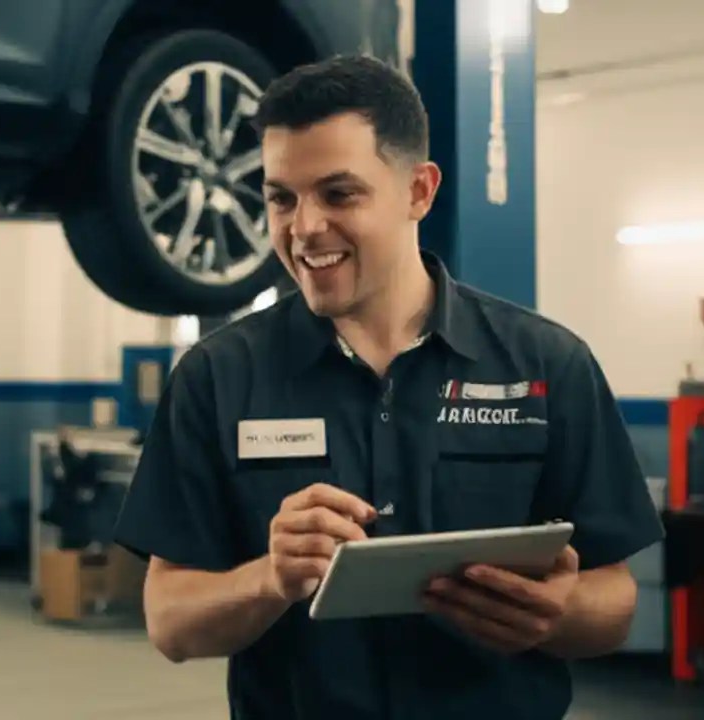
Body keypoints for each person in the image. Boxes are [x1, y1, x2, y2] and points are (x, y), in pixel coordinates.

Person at [114, 55, 665, 719]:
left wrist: (559, 613)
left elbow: (614, 599)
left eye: (339, 194)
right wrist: (273, 576)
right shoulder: (216, 379)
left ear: (419, 192)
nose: (304, 227)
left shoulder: (548, 366)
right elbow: (171, 623)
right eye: (281, 197)